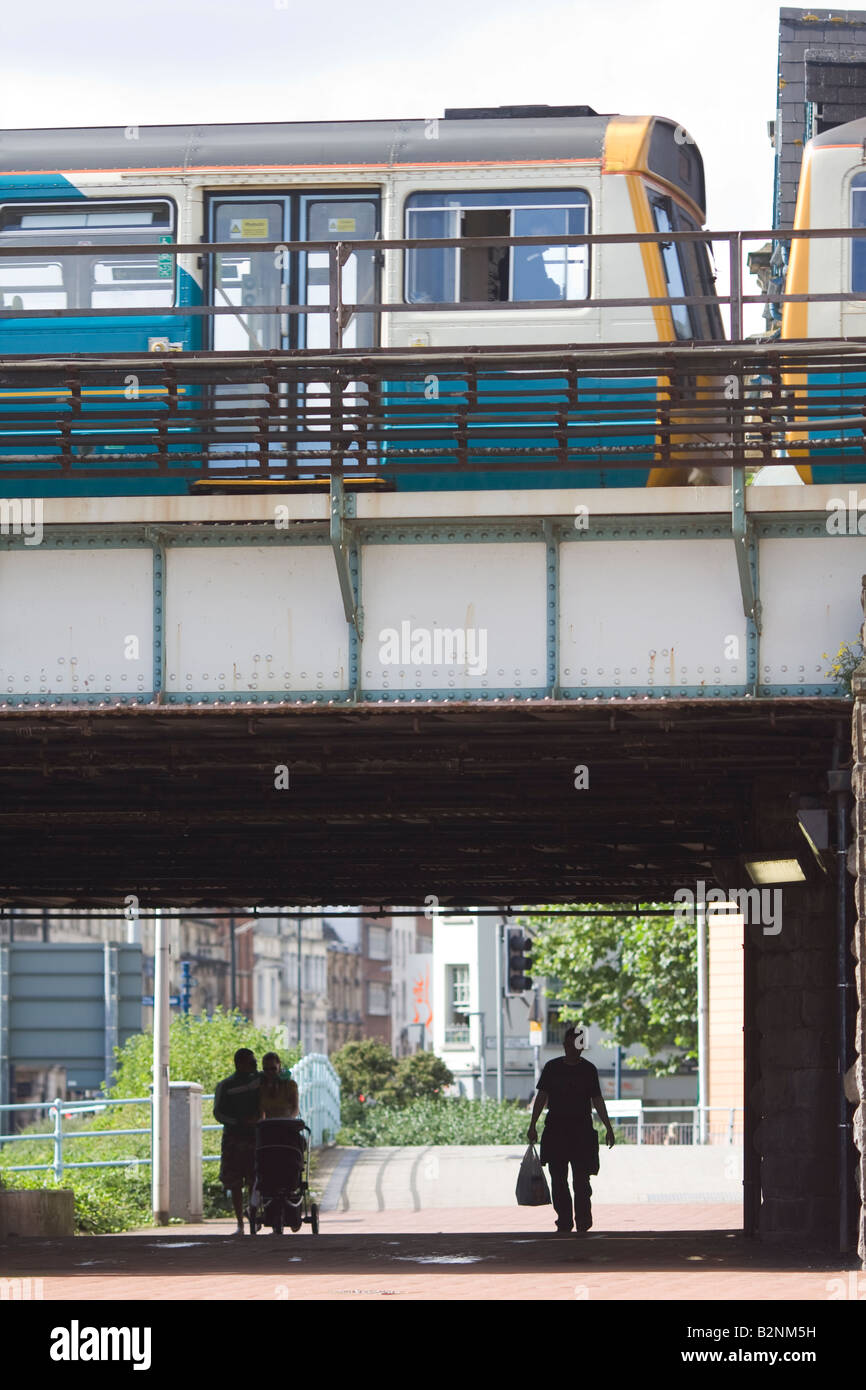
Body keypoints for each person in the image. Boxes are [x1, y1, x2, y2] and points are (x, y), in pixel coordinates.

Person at [527, 1026, 616, 1234]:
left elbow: (597, 1100)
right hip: (559, 1132)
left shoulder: (588, 1070)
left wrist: (608, 1127)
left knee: (580, 1181)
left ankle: (582, 1221)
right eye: (570, 1043)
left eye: (576, 1044)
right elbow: (541, 1098)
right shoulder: (552, 1068)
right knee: (559, 1180)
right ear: (565, 1045)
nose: (573, 1048)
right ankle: (565, 1221)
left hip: (580, 1134)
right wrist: (532, 1125)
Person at [213, 1047, 261, 1235]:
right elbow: (218, 1112)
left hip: (248, 1138)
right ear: (239, 1063)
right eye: (251, 1061)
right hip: (235, 1139)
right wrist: (239, 1122)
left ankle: (251, 1219)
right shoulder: (225, 1086)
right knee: (235, 1182)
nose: (255, 1065)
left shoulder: (258, 1081)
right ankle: (241, 1222)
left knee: (253, 1179)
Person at [258, 1052, 300, 1119]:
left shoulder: (290, 1084)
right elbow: (261, 1112)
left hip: (287, 1125)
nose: (270, 1072)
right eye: (266, 1069)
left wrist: (288, 1120)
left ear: (279, 1065)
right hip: (269, 1126)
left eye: (273, 1068)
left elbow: (296, 1108)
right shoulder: (262, 1086)